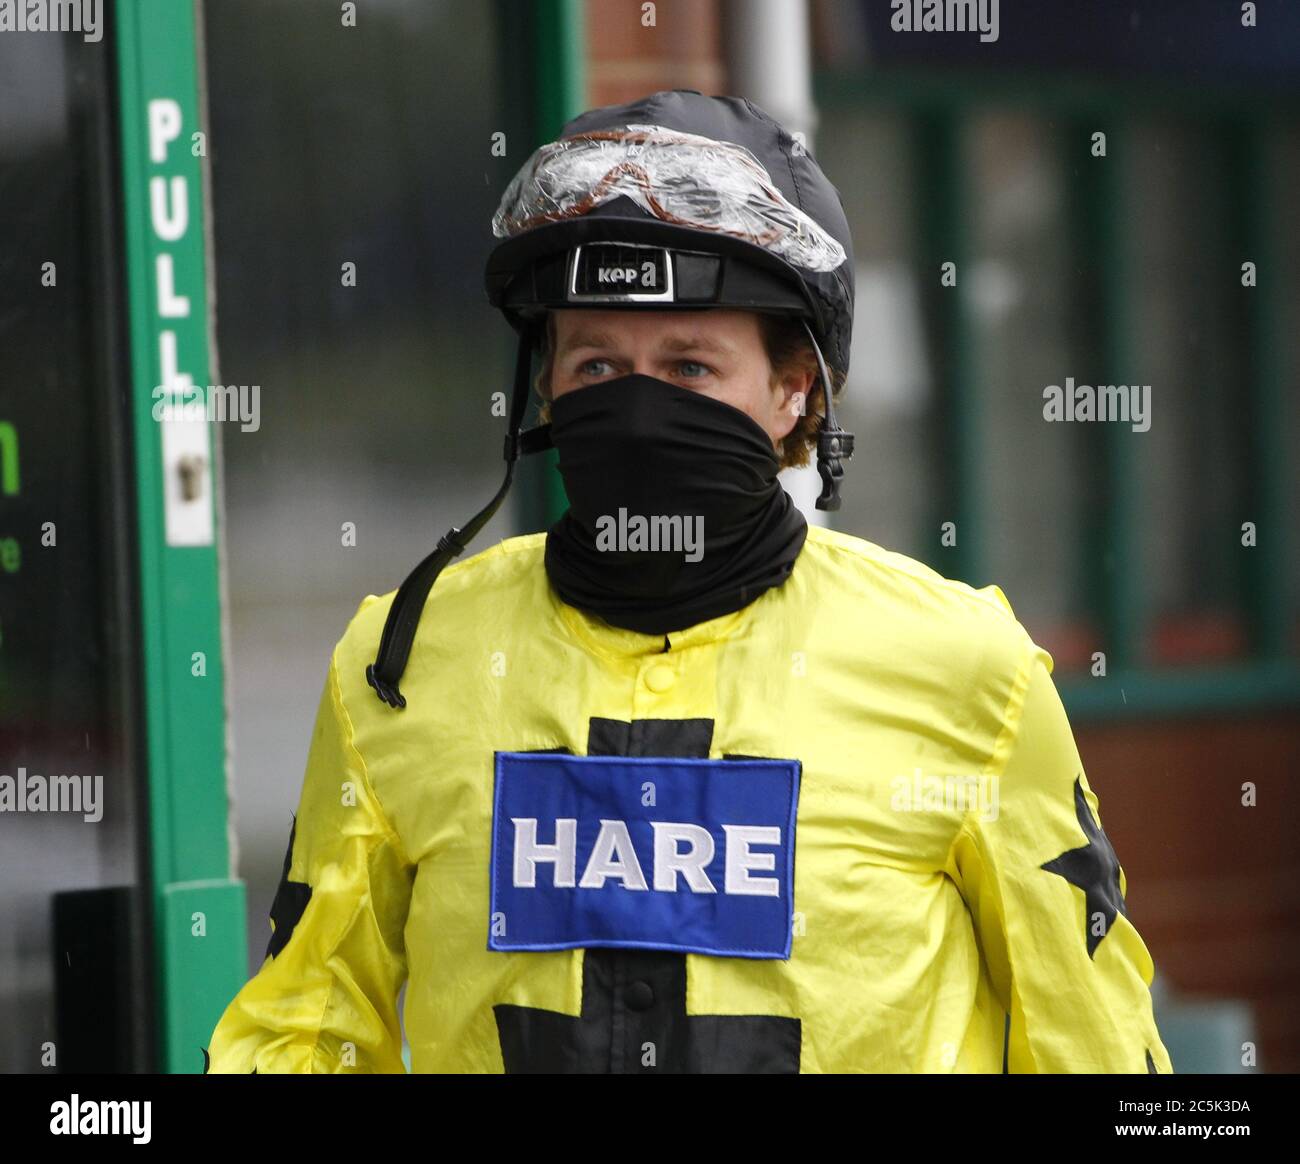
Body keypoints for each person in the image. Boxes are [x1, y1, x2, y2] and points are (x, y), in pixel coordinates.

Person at [205, 89, 1172, 1074]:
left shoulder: (967, 669)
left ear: (794, 387)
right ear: (543, 385)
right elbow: (302, 1034)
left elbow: (1089, 1045)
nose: (635, 407)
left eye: (690, 367)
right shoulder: (400, 665)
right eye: (595, 365)